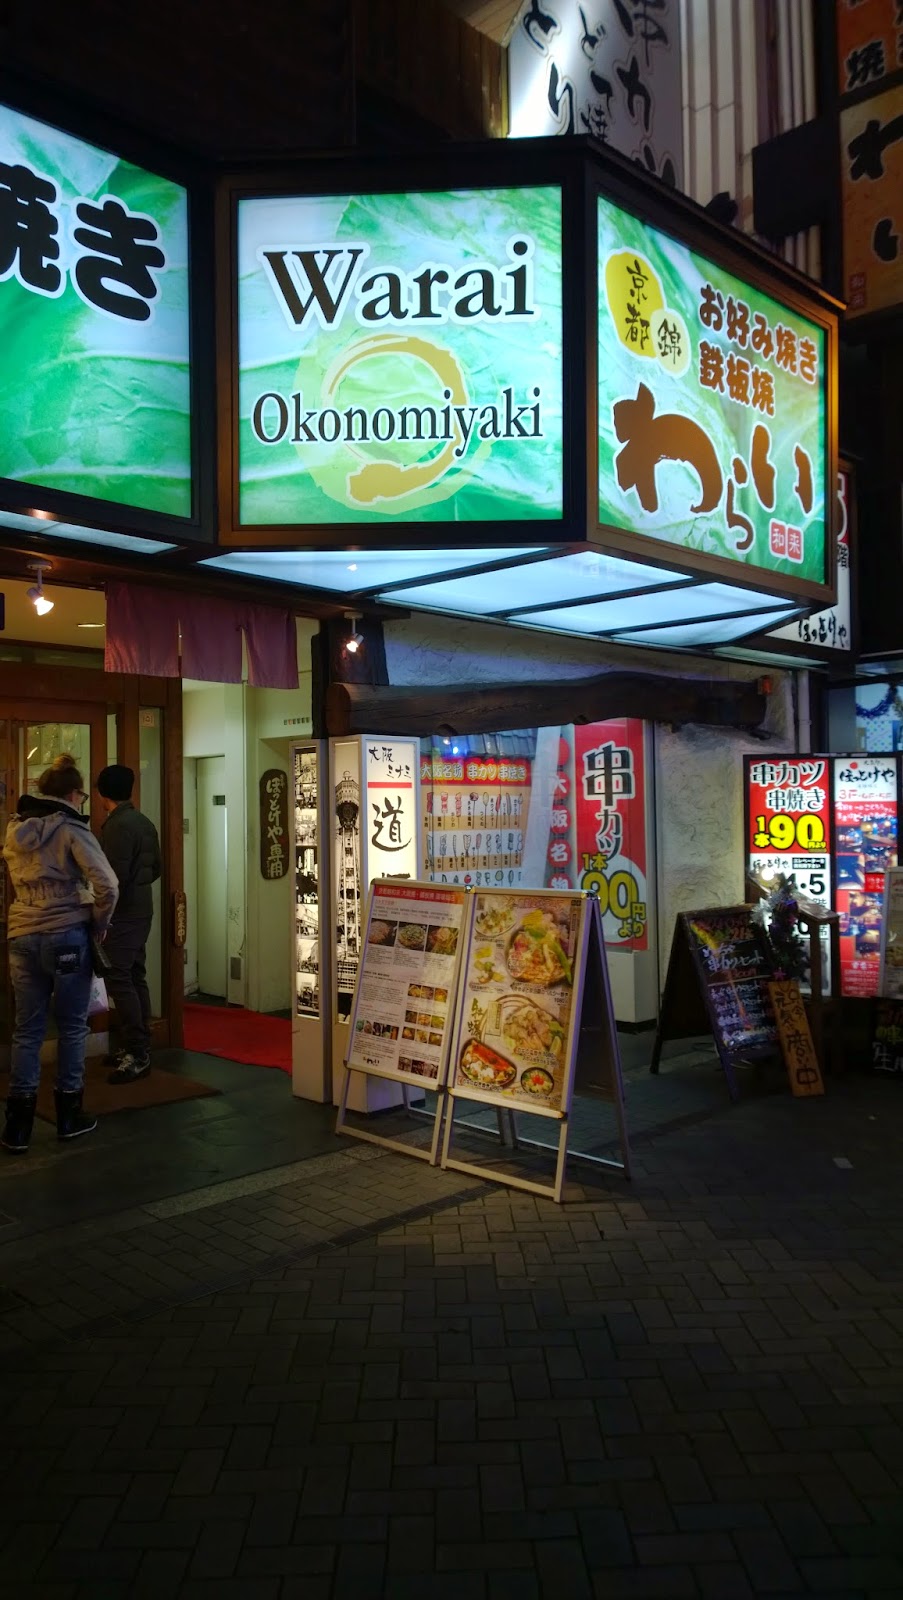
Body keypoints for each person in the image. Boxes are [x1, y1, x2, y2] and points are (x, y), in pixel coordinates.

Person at [2, 755, 119, 1154]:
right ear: (73, 794)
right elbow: (109, 885)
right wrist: (100, 922)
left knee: (27, 1029)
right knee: (71, 1027)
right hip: (66, 935)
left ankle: (17, 1126)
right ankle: (69, 1115)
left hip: (21, 934)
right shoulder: (71, 828)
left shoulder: (13, 831)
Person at [95, 765, 162, 1083]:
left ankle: (136, 1051)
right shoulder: (145, 823)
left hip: (122, 913)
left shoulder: (117, 826)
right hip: (142, 908)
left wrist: (101, 912)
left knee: (119, 977)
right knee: (135, 974)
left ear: (101, 793)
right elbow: (156, 867)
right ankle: (138, 1044)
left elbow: (112, 878)